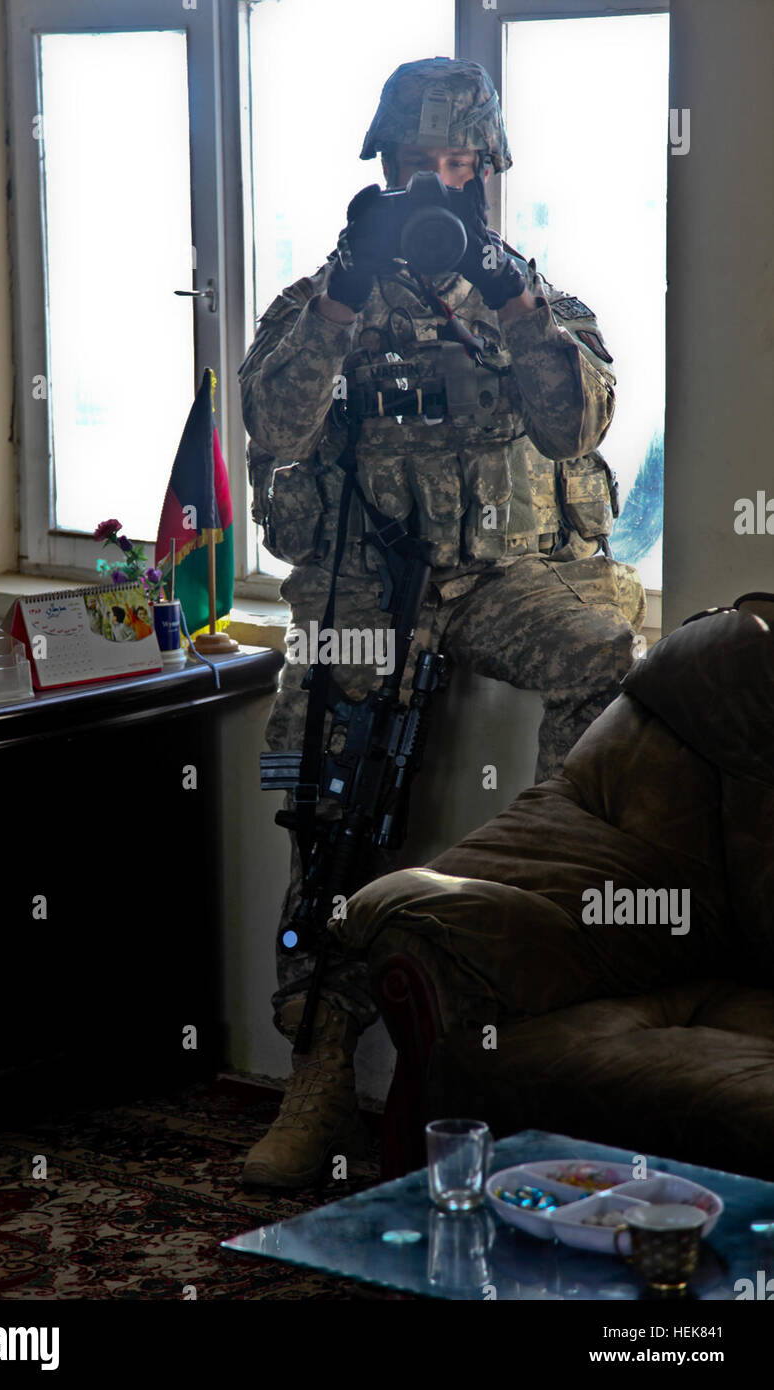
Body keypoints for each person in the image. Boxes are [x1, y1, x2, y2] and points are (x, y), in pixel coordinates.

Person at [238, 57, 646, 1188]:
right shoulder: (324, 297)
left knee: (614, 664)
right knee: (327, 800)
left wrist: (509, 299)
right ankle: (316, 1076)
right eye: (420, 159)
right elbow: (269, 423)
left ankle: (548, 934)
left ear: (488, 171)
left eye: (460, 159)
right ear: (385, 165)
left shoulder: (536, 298)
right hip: (371, 587)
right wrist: (339, 293)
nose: (439, 177)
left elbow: (572, 432)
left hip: (502, 580)